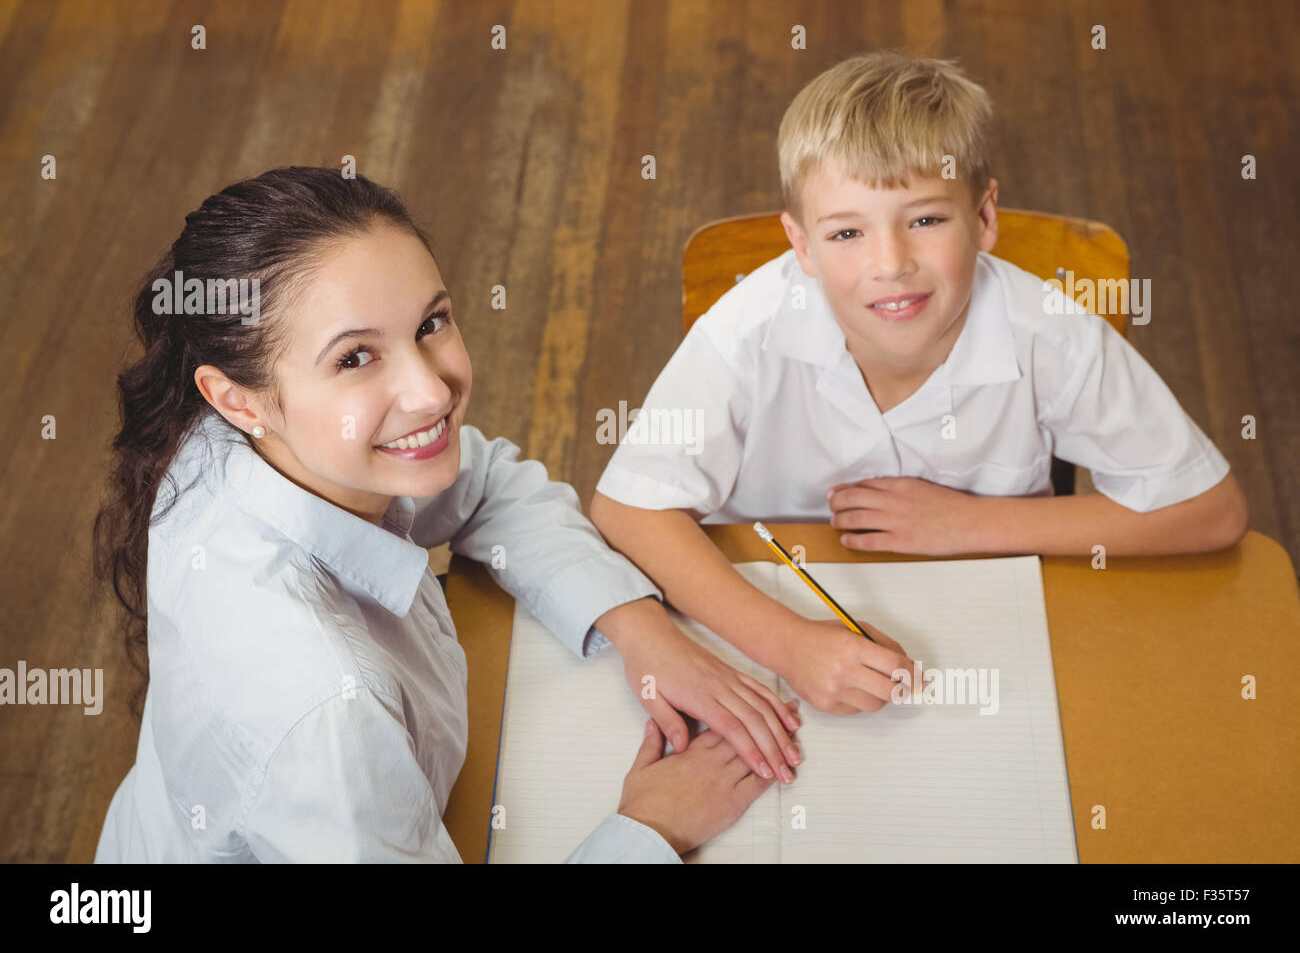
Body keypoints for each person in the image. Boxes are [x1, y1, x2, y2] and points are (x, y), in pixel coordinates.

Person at [91, 166, 801, 863]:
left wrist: (640, 627)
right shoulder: (323, 714)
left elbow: (484, 480)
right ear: (237, 399)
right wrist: (652, 829)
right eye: (355, 357)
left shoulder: (256, 439)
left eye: (431, 322)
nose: (431, 392)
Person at [590, 50, 1250, 717]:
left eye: (926, 220)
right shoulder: (745, 332)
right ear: (801, 246)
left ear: (985, 219)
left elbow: (1212, 510)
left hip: (988, 626)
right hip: (767, 623)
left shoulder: (1051, 335)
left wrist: (973, 523)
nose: (891, 264)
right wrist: (788, 645)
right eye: (847, 231)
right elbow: (628, 509)